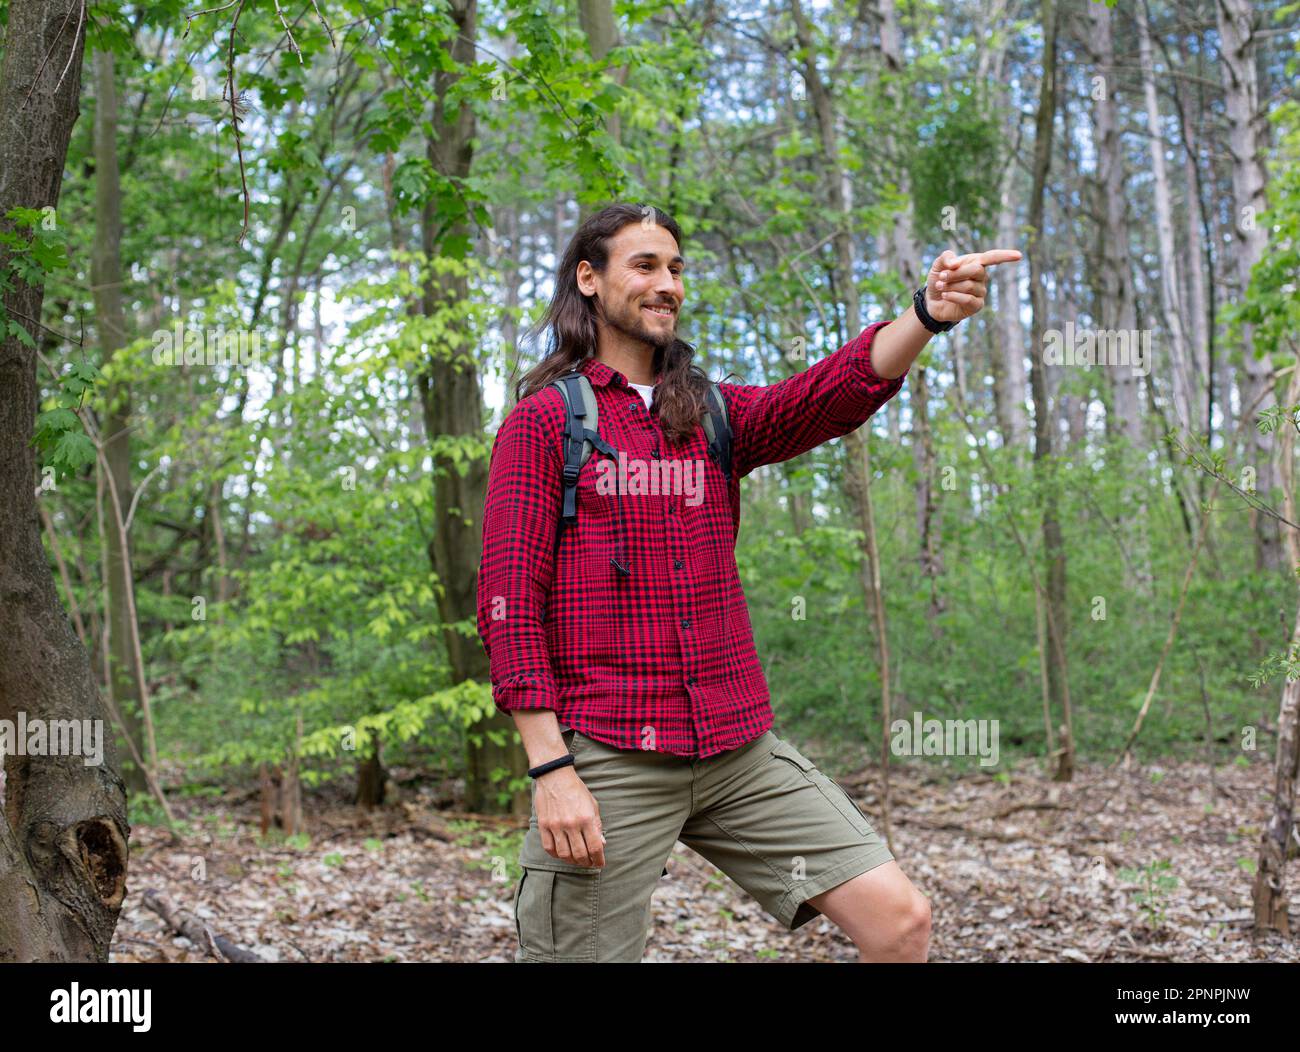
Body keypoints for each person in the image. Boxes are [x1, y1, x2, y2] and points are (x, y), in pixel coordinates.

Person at [475, 202, 1021, 962]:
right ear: (589, 279)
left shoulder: (710, 414)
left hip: (735, 746)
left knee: (899, 922)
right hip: (608, 756)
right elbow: (507, 605)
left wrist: (924, 316)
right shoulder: (542, 425)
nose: (666, 284)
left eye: (676, 269)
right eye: (645, 266)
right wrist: (551, 770)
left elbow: (824, 398)